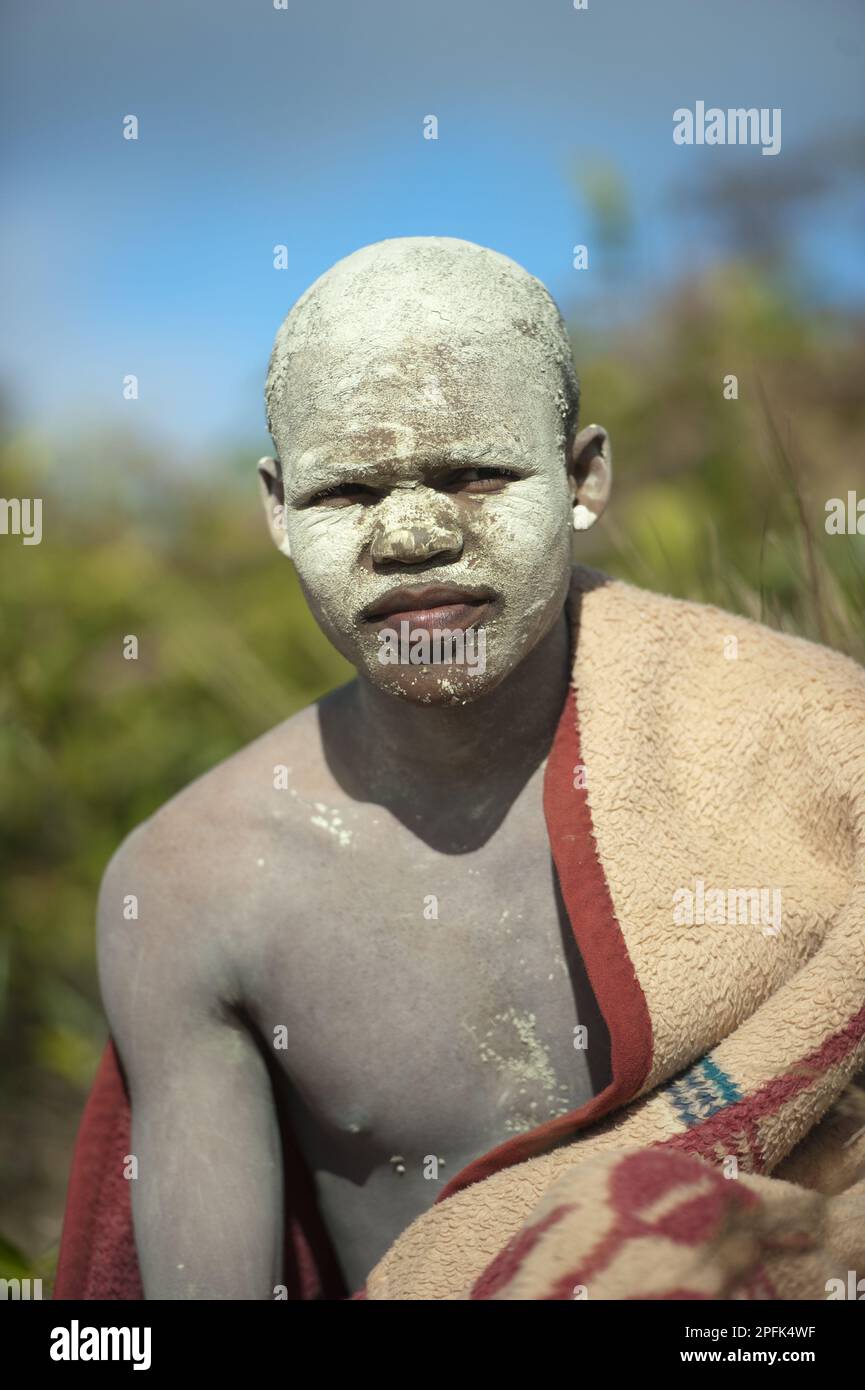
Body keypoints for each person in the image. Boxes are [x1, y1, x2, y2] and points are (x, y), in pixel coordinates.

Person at [55, 238, 865, 1302]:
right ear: (276, 511)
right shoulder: (192, 887)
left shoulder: (810, 749)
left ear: (583, 478)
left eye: (476, 475)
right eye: (347, 491)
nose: (414, 535)